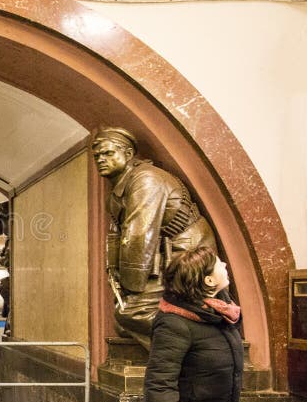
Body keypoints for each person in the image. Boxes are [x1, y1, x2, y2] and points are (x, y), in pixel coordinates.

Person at [91, 127, 216, 349]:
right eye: (97, 156)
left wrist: (131, 289)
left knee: (132, 312)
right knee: (124, 321)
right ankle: (179, 353)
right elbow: (118, 234)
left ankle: (204, 344)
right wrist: (115, 274)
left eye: (108, 153)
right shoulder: (122, 186)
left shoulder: (145, 180)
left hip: (187, 252)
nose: (101, 159)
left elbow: (139, 235)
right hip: (167, 253)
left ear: (128, 155)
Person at [144, 245, 243, 402]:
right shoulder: (174, 322)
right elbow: (160, 379)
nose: (226, 266)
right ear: (209, 280)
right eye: (220, 263)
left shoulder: (219, 315)